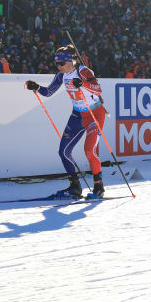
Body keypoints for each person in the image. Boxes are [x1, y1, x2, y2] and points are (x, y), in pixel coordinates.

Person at [25, 45, 106, 199]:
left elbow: (98, 89)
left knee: (89, 150)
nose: (59, 67)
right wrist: (36, 87)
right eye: (57, 64)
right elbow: (49, 92)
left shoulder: (83, 71)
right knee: (63, 152)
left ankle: (98, 186)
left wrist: (83, 84)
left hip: (94, 113)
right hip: (77, 115)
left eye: (61, 63)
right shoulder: (61, 76)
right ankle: (75, 186)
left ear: (70, 62)